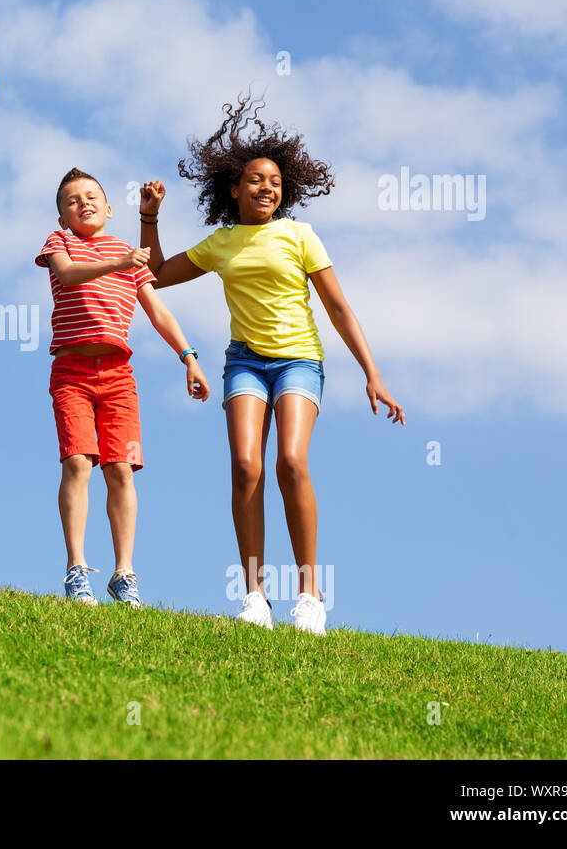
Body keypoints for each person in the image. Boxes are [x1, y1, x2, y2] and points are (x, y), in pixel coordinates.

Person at [140, 94, 404, 634]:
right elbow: (158, 273)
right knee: (245, 467)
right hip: (244, 362)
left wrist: (372, 374)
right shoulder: (221, 243)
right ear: (234, 188)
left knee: (289, 462)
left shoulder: (299, 234)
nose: (267, 188)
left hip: (298, 361)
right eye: (257, 180)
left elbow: (337, 307)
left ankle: (309, 596)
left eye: (276, 182)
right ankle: (256, 596)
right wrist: (149, 217)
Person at [36, 169, 209, 607]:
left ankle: (124, 574)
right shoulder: (61, 244)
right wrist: (121, 262)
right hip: (72, 371)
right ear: (62, 217)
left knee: (120, 470)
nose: (84, 203)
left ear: (110, 209)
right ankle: (77, 570)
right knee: (77, 463)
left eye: (92, 196)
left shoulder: (130, 256)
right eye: (72, 201)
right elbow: (70, 276)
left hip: (118, 376)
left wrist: (189, 357)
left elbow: (157, 311)